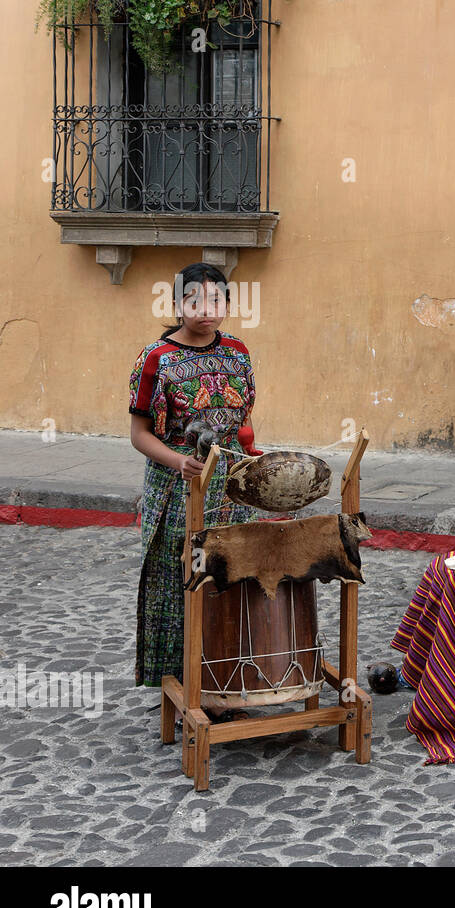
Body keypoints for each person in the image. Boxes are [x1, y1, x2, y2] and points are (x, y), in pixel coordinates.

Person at [129, 262, 258, 690]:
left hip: (230, 488)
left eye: (217, 299)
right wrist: (178, 462)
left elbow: (242, 420)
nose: (208, 309)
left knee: (231, 575)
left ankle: (230, 675)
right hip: (177, 488)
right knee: (182, 580)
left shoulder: (238, 351)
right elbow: (139, 434)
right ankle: (184, 684)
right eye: (195, 300)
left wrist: (252, 454)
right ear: (177, 303)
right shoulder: (157, 359)